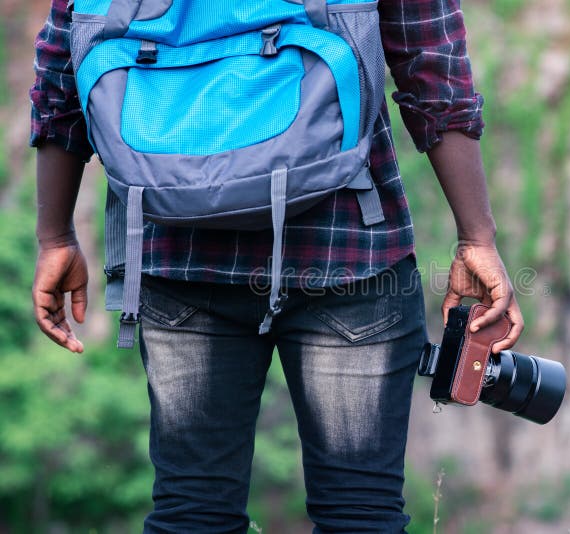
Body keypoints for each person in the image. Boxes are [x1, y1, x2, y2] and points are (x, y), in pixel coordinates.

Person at [30, 0, 524, 531]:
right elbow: (432, 67)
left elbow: (66, 60)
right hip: (346, 251)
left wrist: (56, 235)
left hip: (182, 251)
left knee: (192, 510)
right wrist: (476, 237)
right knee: (360, 514)